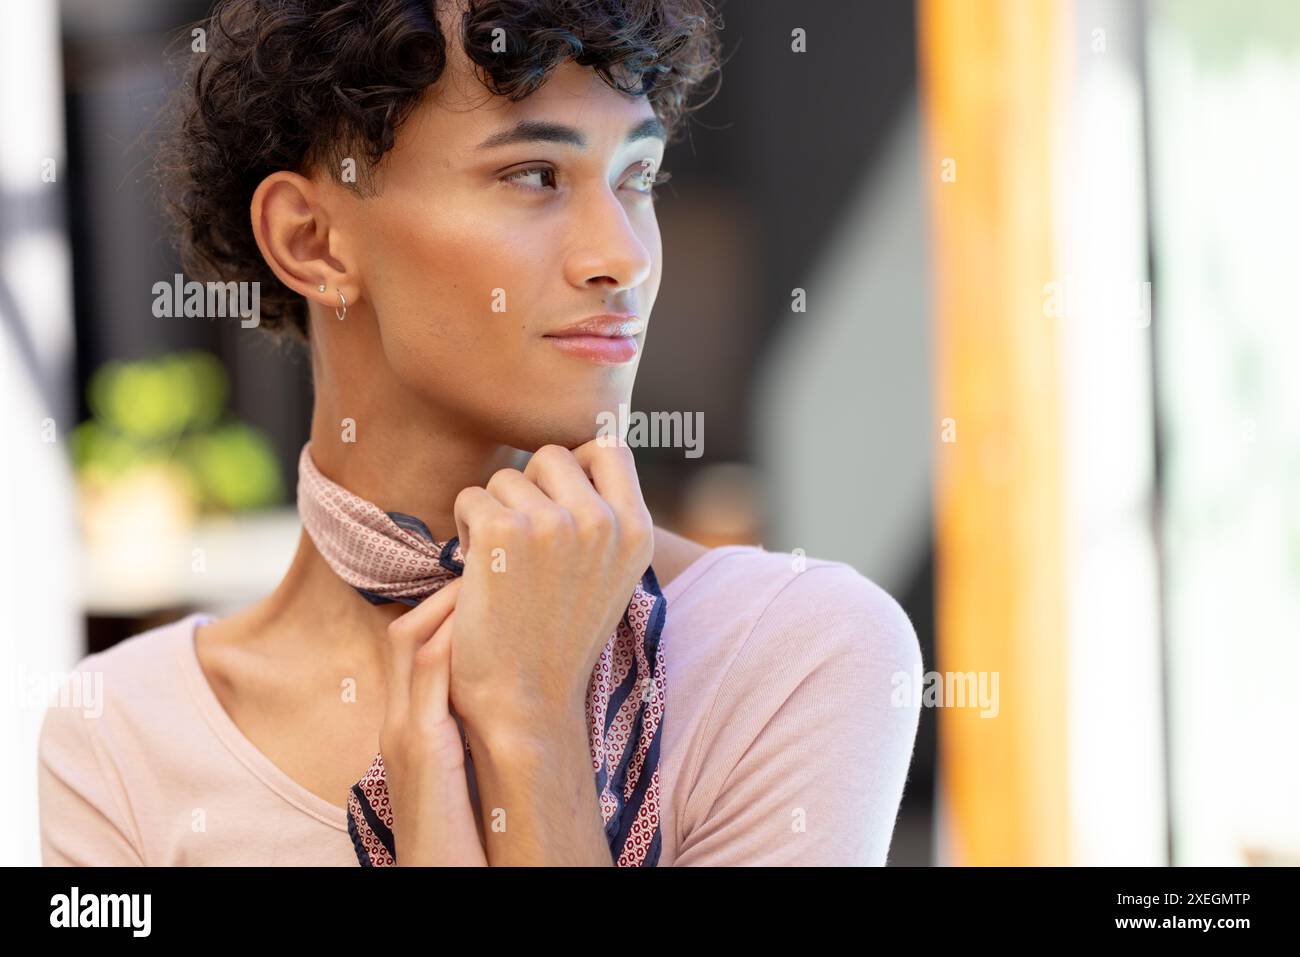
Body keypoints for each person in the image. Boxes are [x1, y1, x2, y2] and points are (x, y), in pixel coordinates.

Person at [37, 0, 922, 866]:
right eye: (535, 174)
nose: (624, 255)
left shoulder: (794, 653)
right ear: (312, 240)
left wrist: (530, 724)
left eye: (637, 177)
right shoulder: (121, 736)